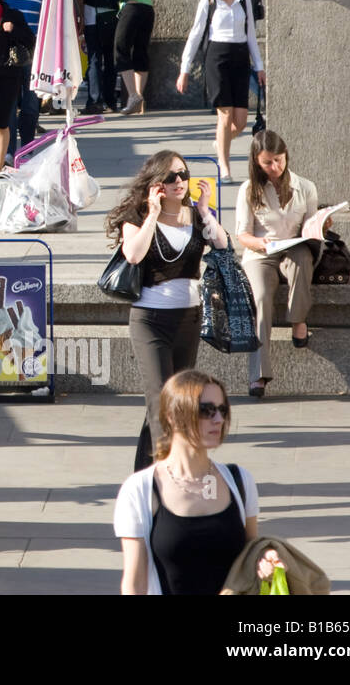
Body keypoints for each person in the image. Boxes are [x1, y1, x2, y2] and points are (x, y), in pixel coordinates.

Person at [106, 151, 229, 472]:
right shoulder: (136, 218)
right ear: (156, 183)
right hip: (150, 320)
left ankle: (143, 473)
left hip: (188, 319)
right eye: (171, 177)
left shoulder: (196, 215)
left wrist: (204, 210)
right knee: (160, 400)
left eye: (183, 175)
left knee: (179, 402)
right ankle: (168, 474)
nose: (179, 182)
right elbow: (133, 255)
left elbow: (222, 244)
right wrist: (152, 214)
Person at [115, 370, 259, 595]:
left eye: (222, 410)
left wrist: (267, 557)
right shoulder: (140, 490)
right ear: (173, 415)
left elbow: (253, 553)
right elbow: (134, 584)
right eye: (206, 410)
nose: (218, 419)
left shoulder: (240, 481)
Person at [236, 132, 321, 397]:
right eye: (267, 163)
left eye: (279, 160)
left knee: (302, 260)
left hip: (294, 247)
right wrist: (262, 244)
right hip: (261, 251)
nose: (275, 167)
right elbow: (242, 235)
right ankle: (258, 375)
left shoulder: (305, 187)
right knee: (260, 296)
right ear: (256, 163)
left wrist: (321, 225)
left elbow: (310, 229)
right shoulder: (249, 189)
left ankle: (298, 321)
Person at [177, 0, 265, 181]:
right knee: (225, 117)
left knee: (241, 121)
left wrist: (259, 66)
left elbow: (251, 36)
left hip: (240, 57)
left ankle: (221, 141)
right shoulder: (208, 1)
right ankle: (224, 167)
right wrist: (184, 69)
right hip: (217, 58)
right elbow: (195, 35)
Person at [0, 0, 46, 158]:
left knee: (30, 103)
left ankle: (27, 148)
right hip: (7, 52)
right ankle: (8, 150)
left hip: (33, 52)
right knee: (8, 103)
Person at [113, 0, 154, 116]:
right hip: (147, 7)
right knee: (140, 51)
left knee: (120, 49)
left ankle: (133, 96)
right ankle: (139, 98)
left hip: (131, 6)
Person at [80, 0, 119, 114]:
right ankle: (111, 99)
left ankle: (95, 99)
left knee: (94, 57)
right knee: (109, 58)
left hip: (90, 13)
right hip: (110, 11)